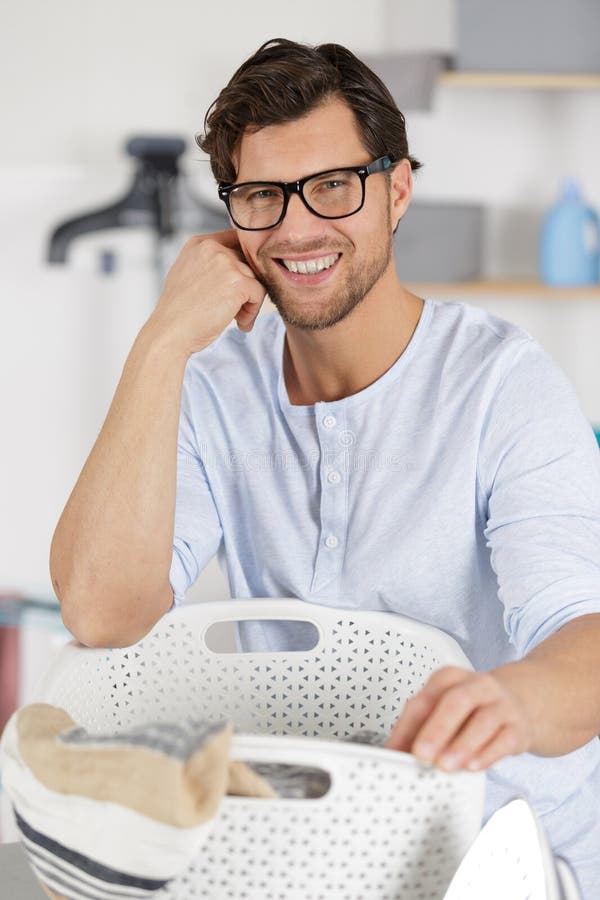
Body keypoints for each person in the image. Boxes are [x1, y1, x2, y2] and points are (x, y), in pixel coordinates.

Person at [50, 38, 600, 895]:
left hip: (502, 848)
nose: (298, 228)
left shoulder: (504, 386)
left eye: (333, 186)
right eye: (262, 196)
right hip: (308, 847)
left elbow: (585, 638)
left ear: (398, 190)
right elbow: (102, 611)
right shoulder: (211, 383)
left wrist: (515, 704)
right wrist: (161, 345)